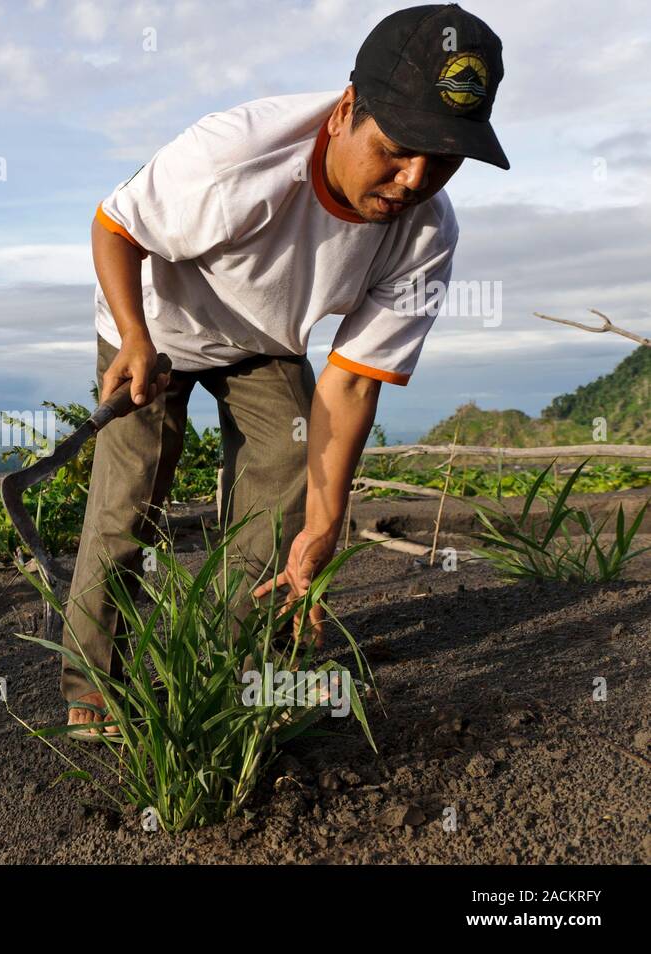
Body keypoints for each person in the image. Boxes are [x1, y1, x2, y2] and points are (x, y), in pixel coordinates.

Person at [63, 3, 509, 739]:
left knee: (293, 481)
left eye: (445, 157)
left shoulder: (428, 233)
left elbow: (354, 379)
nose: (415, 177)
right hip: (155, 330)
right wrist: (136, 340)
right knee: (130, 494)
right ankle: (92, 685)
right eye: (398, 147)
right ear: (344, 113)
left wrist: (326, 522)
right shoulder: (235, 154)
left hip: (265, 340)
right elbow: (114, 226)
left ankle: (234, 664)